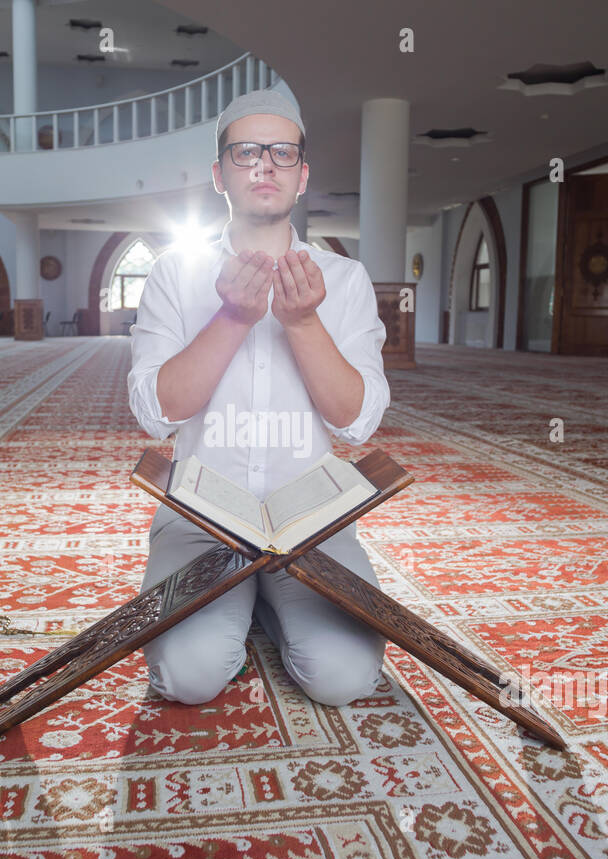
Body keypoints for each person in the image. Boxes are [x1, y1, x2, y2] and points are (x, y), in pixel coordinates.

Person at [127, 89, 391, 707]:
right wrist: (233, 318)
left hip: (313, 521)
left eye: (281, 152)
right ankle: (244, 602)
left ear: (303, 176)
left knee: (345, 679)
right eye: (246, 152)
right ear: (220, 175)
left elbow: (356, 423)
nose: (264, 164)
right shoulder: (174, 272)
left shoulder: (345, 280)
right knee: (187, 679)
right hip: (202, 516)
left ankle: (267, 602)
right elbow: (153, 412)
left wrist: (303, 324)